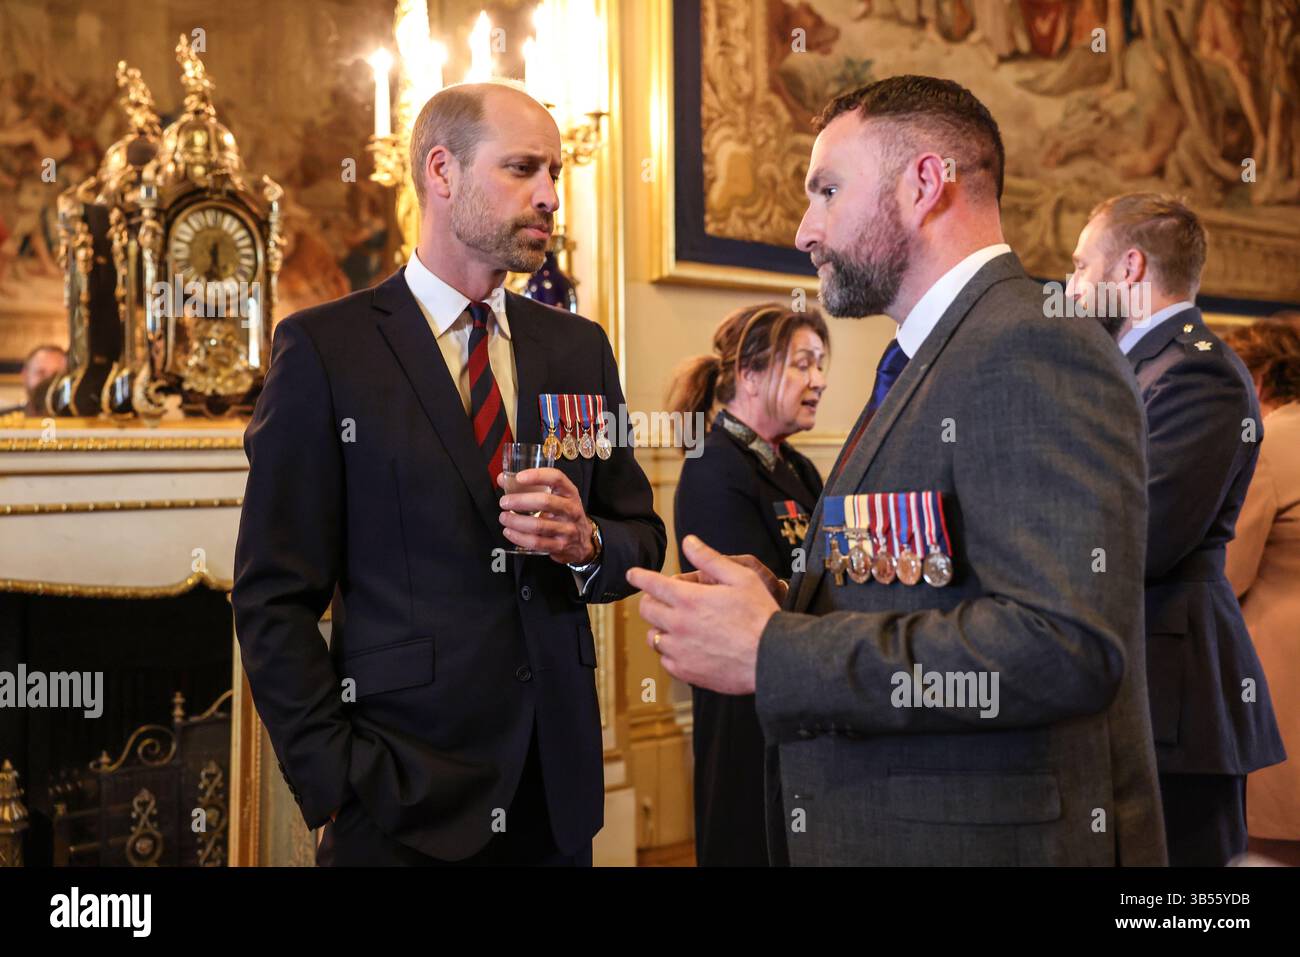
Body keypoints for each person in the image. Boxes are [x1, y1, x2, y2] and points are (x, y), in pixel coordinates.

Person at [630, 75, 1166, 866]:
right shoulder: (926, 354)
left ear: (922, 184)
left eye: (827, 190)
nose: (805, 230)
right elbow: (946, 586)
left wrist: (777, 648)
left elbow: (1063, 643)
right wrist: (792, 600)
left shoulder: (1030, 342)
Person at [232, 82, 666, 867]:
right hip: (399, 800)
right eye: (524, 169)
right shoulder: (326, 352)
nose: (550, 197)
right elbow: (272, 597)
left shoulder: (580, 349)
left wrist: (588, 541)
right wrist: (334, 779)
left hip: (554, 791)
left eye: (557, 174)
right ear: (442, 170)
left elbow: (641, 539)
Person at [1067, 193, 1285, 866]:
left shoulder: (1195, 370)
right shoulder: (1133, 365)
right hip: (1135, 671)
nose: (1070, 288)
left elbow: (1142, 534)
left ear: (1129, 267)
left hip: (1175, 689)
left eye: (1080, 266)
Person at [665, 303, 829, 866]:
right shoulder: (714, 466)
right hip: (747, 719)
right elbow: (744, 608)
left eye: (822, 364)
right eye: (804, 364)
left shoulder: (798, 469)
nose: (820, 380)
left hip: (799, 696)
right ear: (753, 375)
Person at [1223, 318, 1300, 865]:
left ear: (1261, 379)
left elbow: (1230, 572)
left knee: (1266, 846)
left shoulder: (1268, 445)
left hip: (1278, 666)